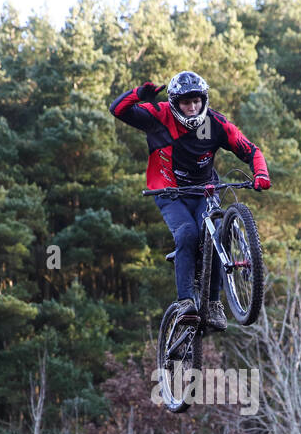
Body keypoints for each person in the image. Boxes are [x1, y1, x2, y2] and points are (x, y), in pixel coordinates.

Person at [110, 70, 270, 331]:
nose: (193, 108)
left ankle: (214, 303)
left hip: (204, 191)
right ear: (175, 103)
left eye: (197, 101)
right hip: (169, 193)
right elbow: (117, 110)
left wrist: (261, 173)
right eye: (186, 102)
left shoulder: (215, 123)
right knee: (187, 234)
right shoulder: (158, 116)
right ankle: (185, 302)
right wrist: (139, 94)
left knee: (215, 234)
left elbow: (251, 150)